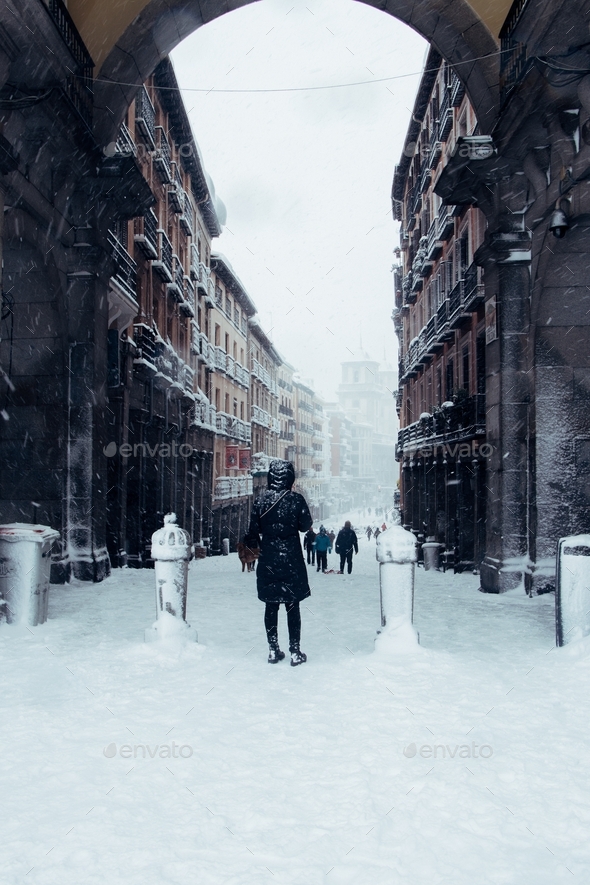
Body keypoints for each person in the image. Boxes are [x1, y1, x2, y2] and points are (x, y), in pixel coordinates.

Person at [247, 460, 312, 666]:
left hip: (269, 559)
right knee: (292, 606)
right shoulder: (296, 500)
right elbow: (305, 526)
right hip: (291, 558)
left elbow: (253, 530)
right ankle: (295, 651)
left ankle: (273, 649)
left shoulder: (261, 501)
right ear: (289, 478)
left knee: (271, 605)